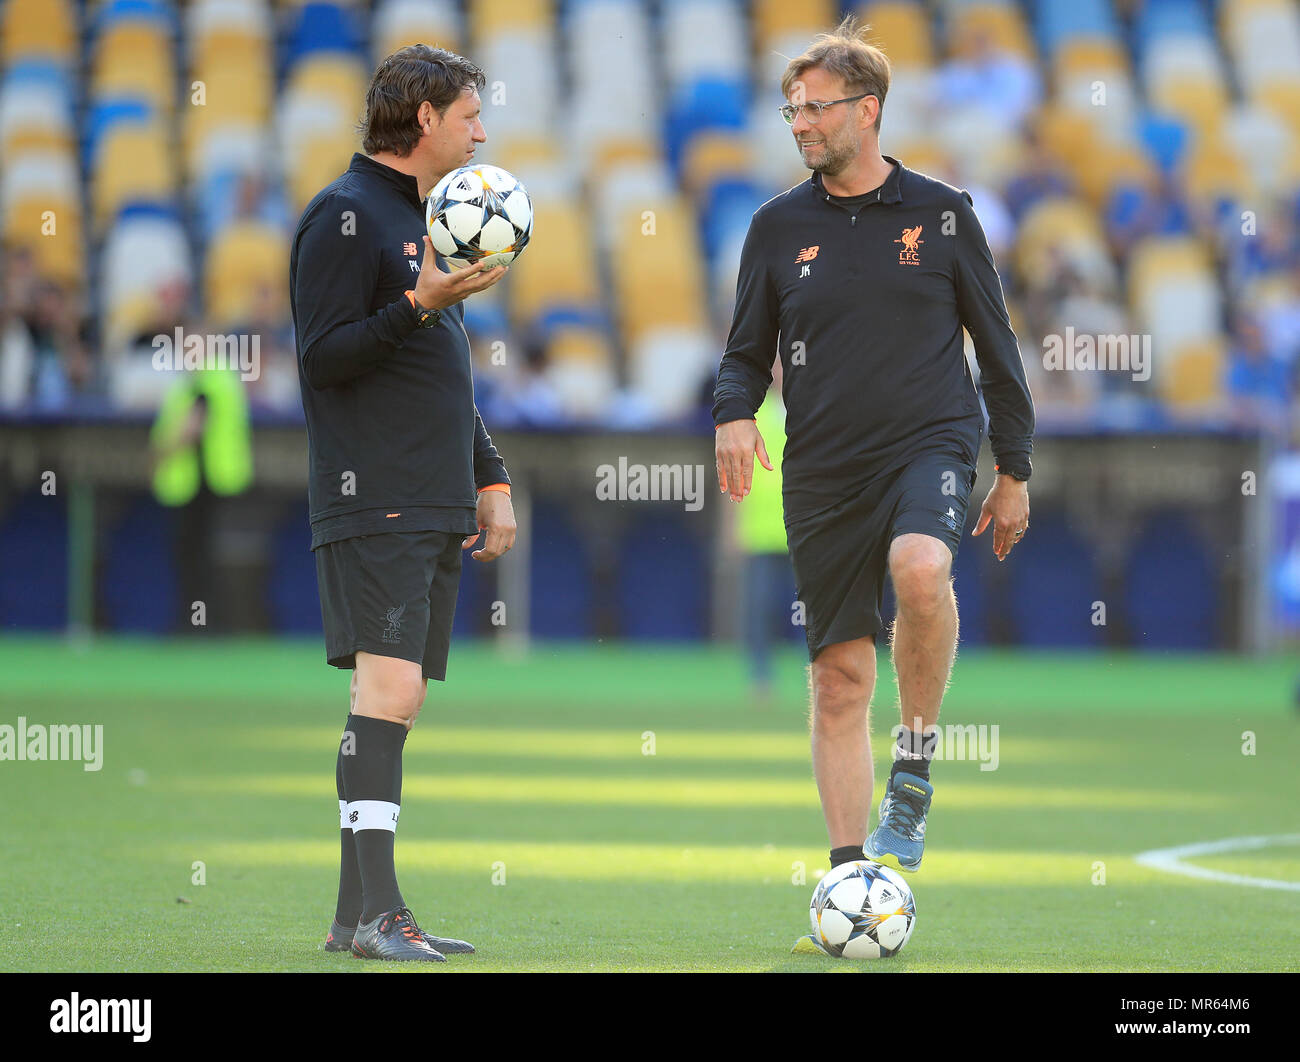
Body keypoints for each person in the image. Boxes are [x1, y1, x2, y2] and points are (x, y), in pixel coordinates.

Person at [711, 17, 1035, 952]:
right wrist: (733, 414)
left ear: (869, 110)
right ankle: (852, 869)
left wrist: (1012, 468)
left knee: (922, 569)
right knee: (841, 676)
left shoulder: (943, 214)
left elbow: (998, 346)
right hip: (821, 470)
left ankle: (918, 760)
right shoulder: (776, 226)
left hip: (930, 442)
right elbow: (743, 356)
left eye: (815, 107)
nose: (800, 122)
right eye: (793, 109)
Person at [290, 44, 516, 962]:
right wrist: (418, 303)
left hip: (430, 497)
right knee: (392, 689)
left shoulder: (429, 217)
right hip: (372, 491)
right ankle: (380, 913)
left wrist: (489, 475)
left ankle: (356, 919)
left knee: (393, 696)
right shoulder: (342, 217)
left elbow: (441, 371)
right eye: (469, 115)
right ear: (423, 118)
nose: (481, 131)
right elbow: (322, 357)